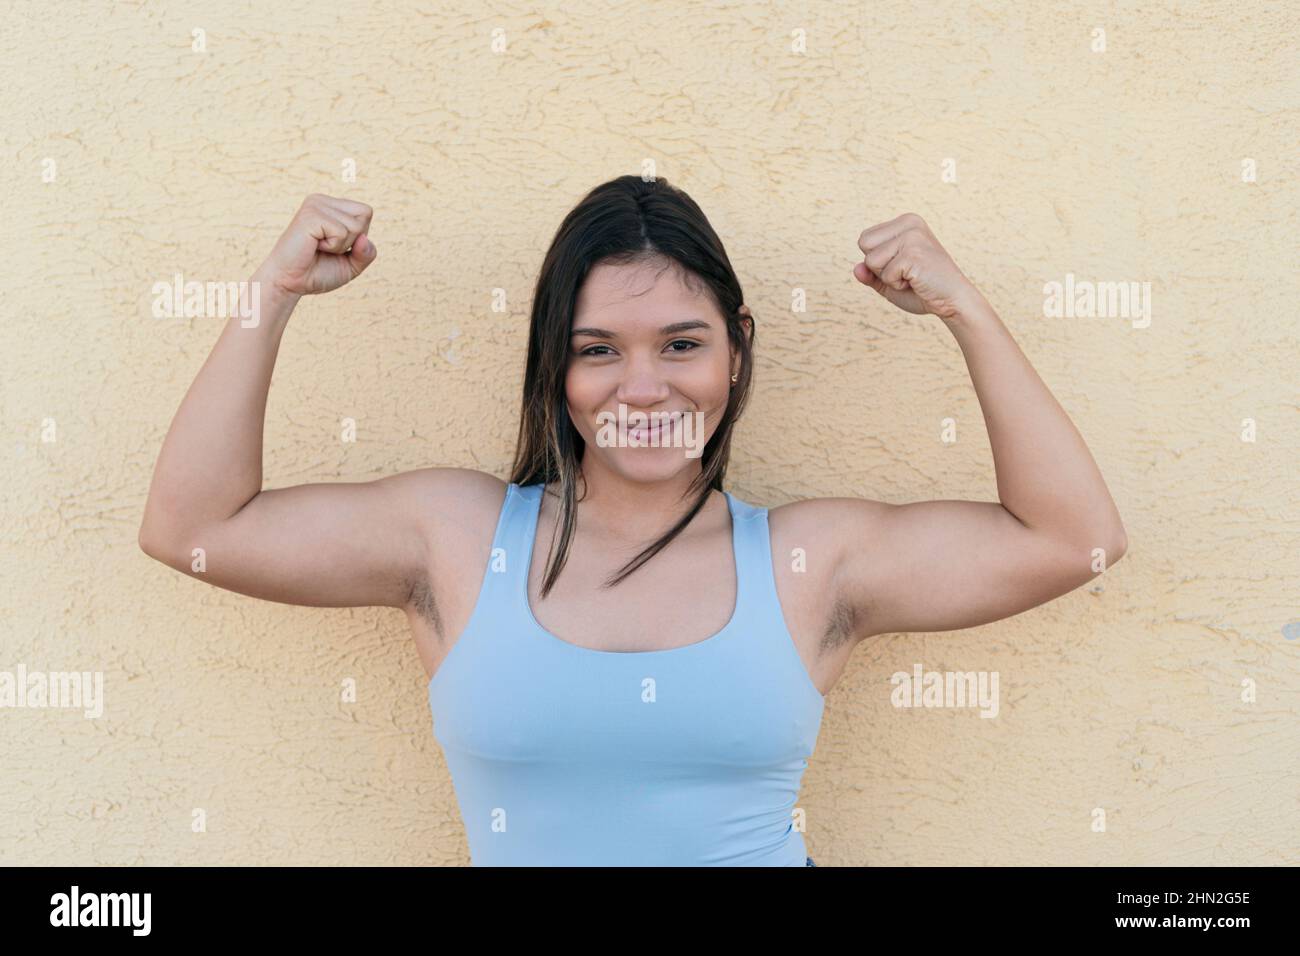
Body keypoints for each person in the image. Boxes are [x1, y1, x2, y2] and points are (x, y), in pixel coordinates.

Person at [139, 176, 1127, 866]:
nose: (643, 383)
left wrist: (966, 310)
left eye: (682, 342)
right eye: (598, 348)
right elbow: (195, 524)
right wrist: (270, 293)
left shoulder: (805, 560)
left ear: (736, 348)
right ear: (553, 365)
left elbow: (1069, 536)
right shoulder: (455, 537)